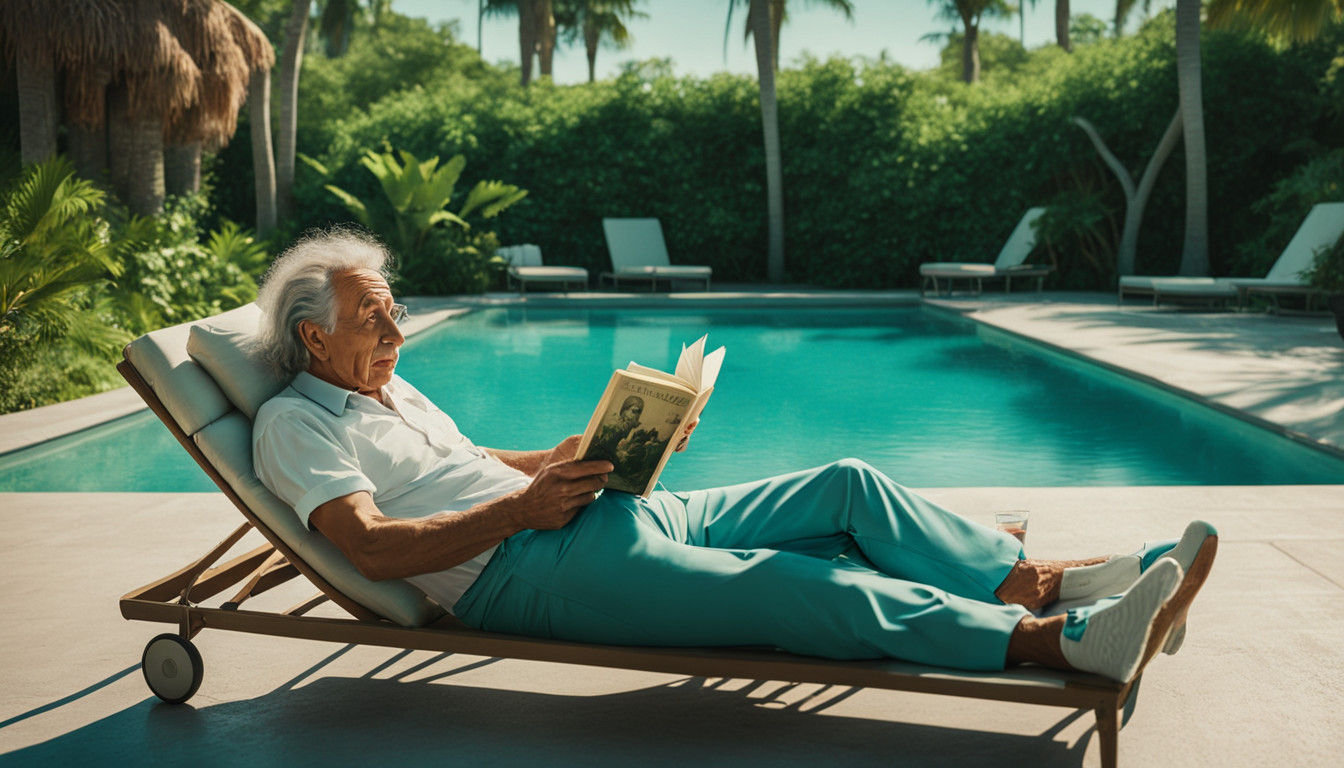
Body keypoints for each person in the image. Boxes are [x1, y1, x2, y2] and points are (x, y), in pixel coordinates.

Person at [251, 231, 1216, 683]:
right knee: (788, 585)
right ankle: (1054, 643)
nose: (395, 331)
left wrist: (576, 453)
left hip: (593, 513)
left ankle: (1035, 581)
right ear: (311, 341)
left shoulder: (388, 387)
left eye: (395, 313)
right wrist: (519, 511)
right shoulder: (295, 424)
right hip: (533, 570)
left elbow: (461, 458)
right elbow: (372, 549)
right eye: (373, 319)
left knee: (846, 486)